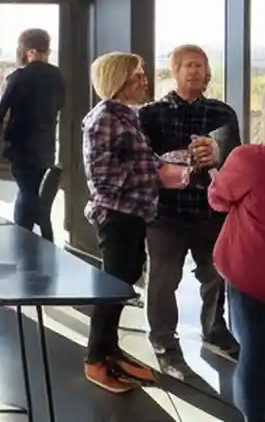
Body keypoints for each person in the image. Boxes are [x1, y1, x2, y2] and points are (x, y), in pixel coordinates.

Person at [81, 52, 186, 393]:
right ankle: (95, 360)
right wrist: (158, 174)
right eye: (137, 76)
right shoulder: (104, 119)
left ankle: (109, 349)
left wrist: (166, 165)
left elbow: (136, 160)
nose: (145, 81)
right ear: (118, 82)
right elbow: (102, 180)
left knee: (120, 285)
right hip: (117, 217)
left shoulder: (126, 116)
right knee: (111, 289)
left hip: (134, 214)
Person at [137, 44, 240, 376]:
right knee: (163, 279)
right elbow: (140, 160)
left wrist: (218, 152)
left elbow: (236, 159)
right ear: (175, 71)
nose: (196, 71)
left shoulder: (223, 113)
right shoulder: (150, 114)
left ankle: (214, 329)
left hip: (211, 209)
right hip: (166, 211)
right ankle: (164, 340)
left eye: (200, 65)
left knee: (215, 275)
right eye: (189, 65)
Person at [208, 144, 265, 421]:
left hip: (250, 276)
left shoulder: (250, 159)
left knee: (254, 353)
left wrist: (216, 177)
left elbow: (218, 198)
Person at [0, 28, 65, 241]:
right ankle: (39, 238)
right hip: (46, 147)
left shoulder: (19, 76)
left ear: (29, 51)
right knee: (33, 193)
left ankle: (27, 239)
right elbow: (60, 104)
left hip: (21, 147)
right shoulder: (57, 75)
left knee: (27, 193)